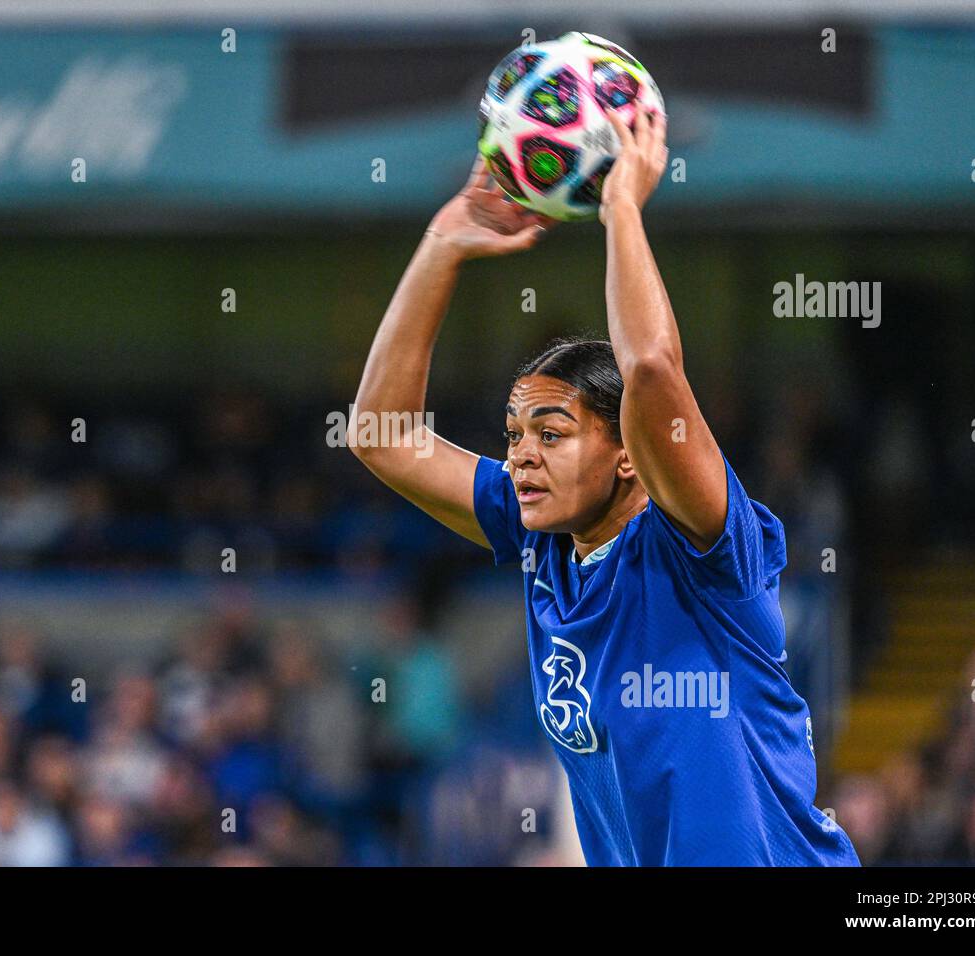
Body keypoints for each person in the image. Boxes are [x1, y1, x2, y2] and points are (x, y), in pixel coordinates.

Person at [348, 105, 859, 866]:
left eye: (551, 435)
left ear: (629, 453)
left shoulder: (707, 551)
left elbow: (651, 369)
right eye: (515, 436)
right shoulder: (540, 541)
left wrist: (620, 207)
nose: (521, 457)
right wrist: (442, 245)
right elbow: (379, 436)